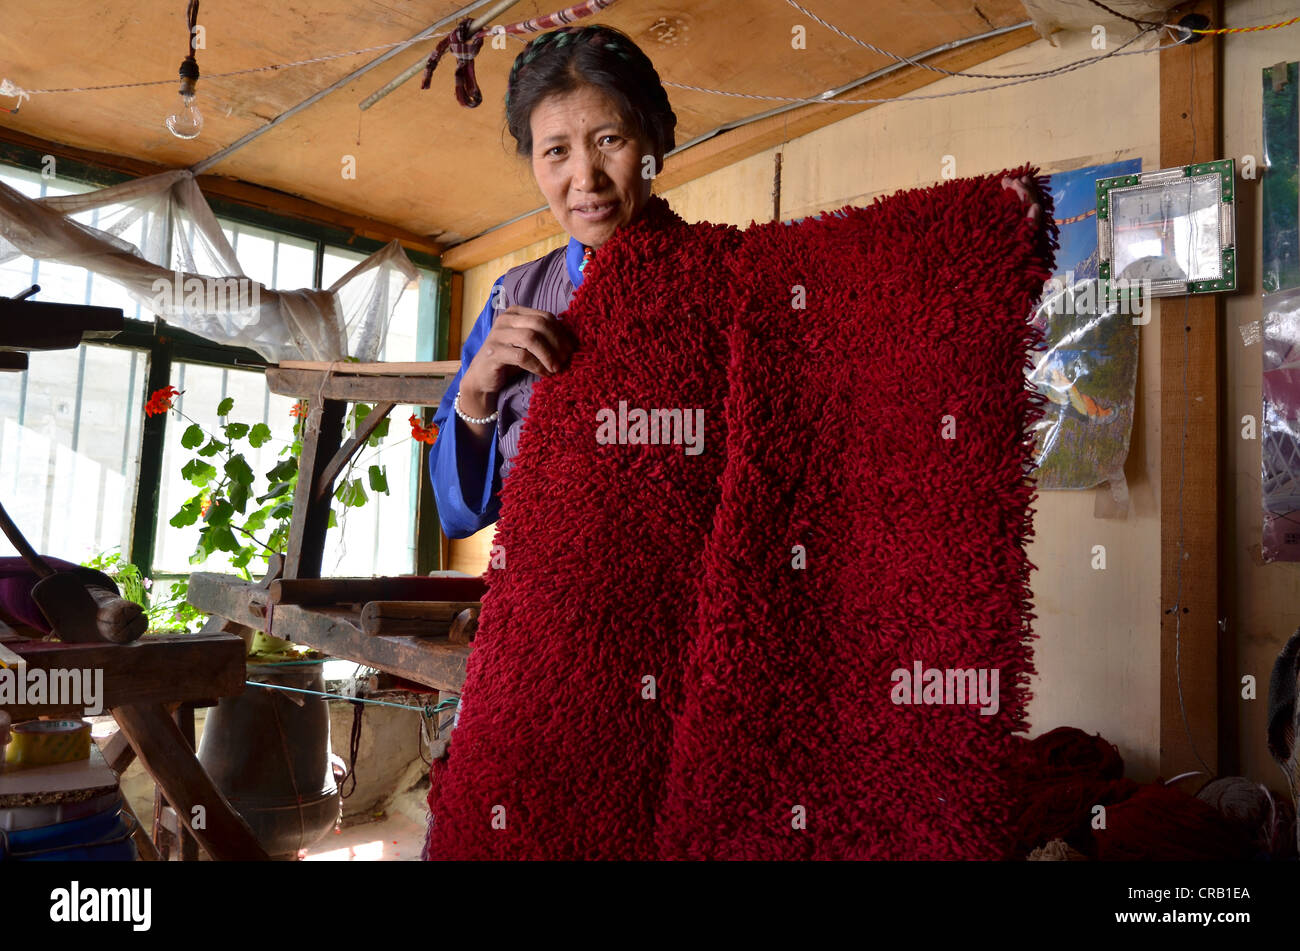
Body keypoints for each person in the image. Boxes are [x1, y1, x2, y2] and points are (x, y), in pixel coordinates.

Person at [429, 23, 1044, 539]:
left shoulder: (735, 273)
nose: (585, 178)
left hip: (694, 618)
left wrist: (972, 229)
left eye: (609, 140)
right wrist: (477, 394)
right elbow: (458, 516)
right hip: (550, 620)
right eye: (556, 151)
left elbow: (865, 280)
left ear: (656, 144)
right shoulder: (513, 299)